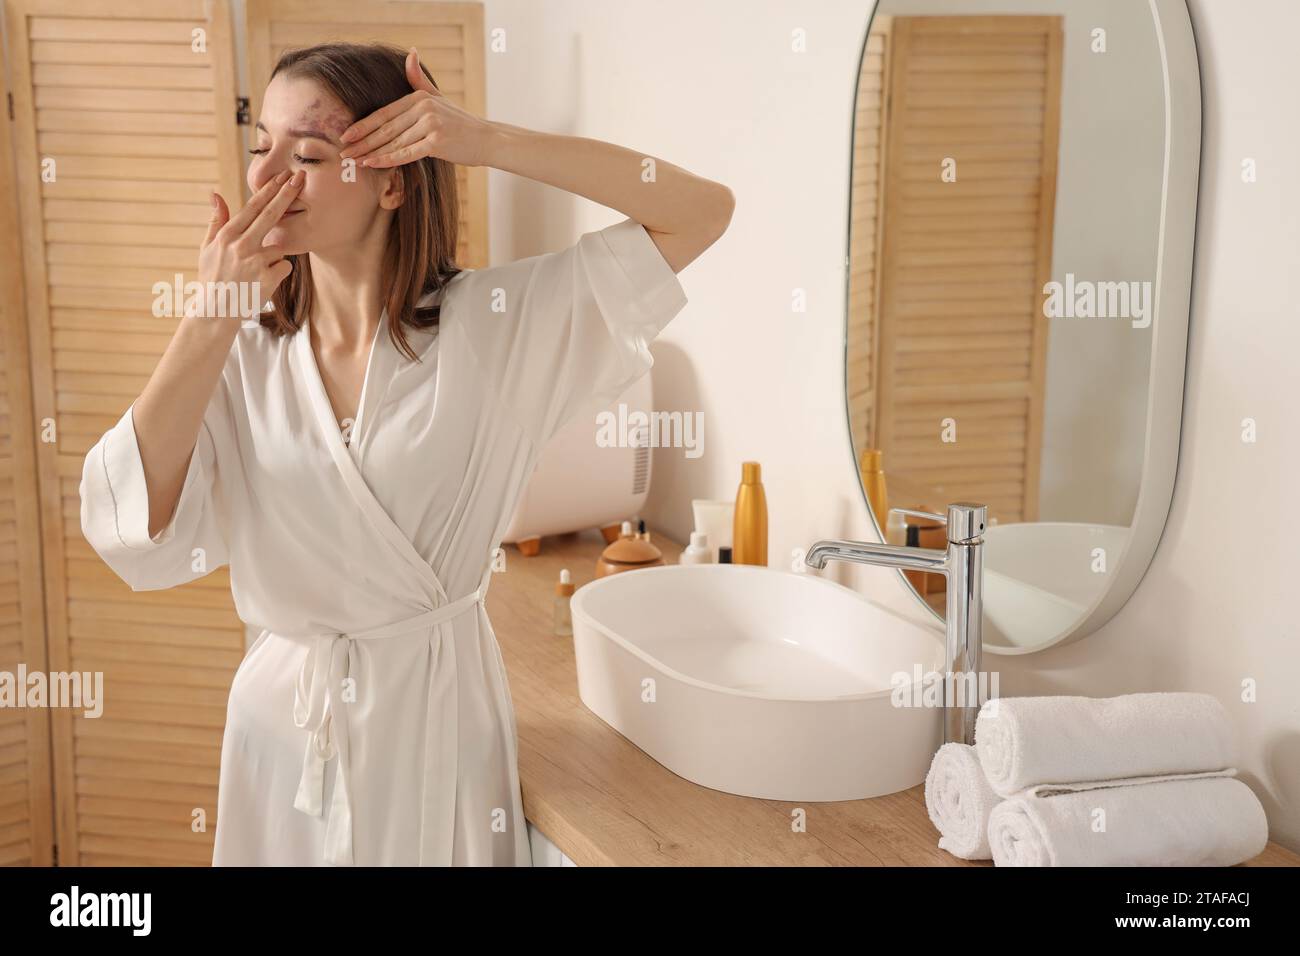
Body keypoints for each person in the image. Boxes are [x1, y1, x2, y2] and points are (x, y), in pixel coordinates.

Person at [79, 41, 733, 866]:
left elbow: (701, 211)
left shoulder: (498, 328)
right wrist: (209, 316)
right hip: (282, 737)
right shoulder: (239, 353)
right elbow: (128, 527)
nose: (265, 176)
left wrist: (482, 140)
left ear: (392, 180)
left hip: (437, 729)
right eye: (261, 147)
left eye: (306, 155)